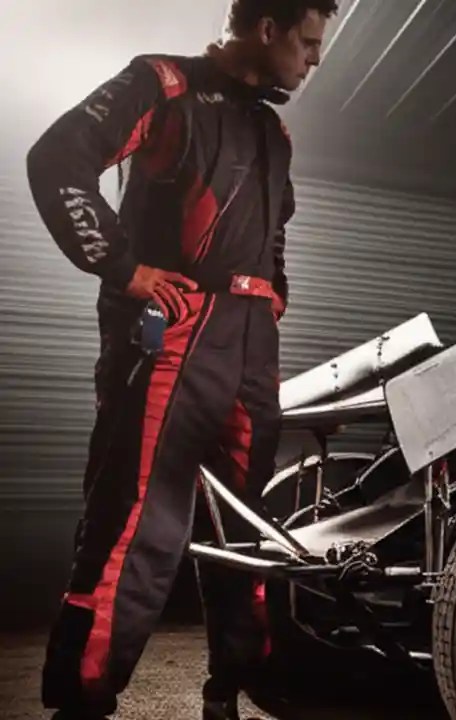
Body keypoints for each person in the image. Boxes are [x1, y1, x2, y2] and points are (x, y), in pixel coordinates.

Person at [26, 1, 337, 718]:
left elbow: (275, 231)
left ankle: (232, 690)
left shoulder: (273, 128)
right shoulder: (160, 84)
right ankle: (82, 699)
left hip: (252, 344)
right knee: (135, 523)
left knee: (245, 529)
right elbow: (57, 159)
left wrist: (272, 298)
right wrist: (123, 268)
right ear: (268, 29)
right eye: (310, 44)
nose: (314, 61)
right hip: (173, 332)